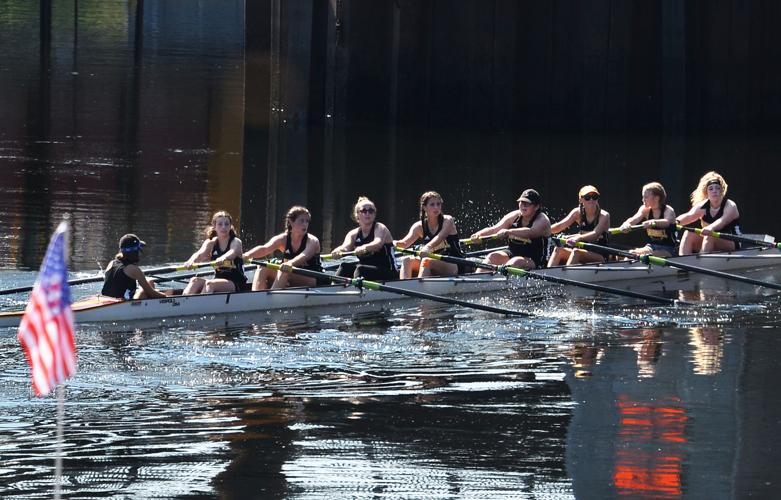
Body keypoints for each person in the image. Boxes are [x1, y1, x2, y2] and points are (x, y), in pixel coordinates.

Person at [244, 206, 324, 290]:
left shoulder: (312, 241)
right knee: (262, 267)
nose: (305, 224)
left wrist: (290, 263)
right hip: (291, 274)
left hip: (313, 278)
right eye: (301, 220)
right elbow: (265, 249)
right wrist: (246, 255)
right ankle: (256, 297)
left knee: (285, 271)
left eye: (307, 221)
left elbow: (304, 255)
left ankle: (271, 299)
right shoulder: (283, 239)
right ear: (291, 222)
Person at [469, 188, 551, 271]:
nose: (523, 205)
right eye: (522, 202)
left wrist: (508, 232)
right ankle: (475, 281)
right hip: (513, 252)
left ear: (536, 207)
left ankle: (499, 279)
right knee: (493, 256)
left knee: (515, 262)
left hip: (536, 259)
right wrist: (478, 235)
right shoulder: (515, 216)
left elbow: (531, 232)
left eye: (527, 203)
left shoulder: (543, 220)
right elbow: (495, 229)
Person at [394, 191, 465, 278]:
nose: (436, 207)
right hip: (431, 262)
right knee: (406, 260)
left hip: (455, 263)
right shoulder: (419, 226)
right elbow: (404, 244)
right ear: (424, 207)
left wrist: (427, 247)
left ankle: (419, 288)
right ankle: (403, 289)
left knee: (427, 261)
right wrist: (392, 243)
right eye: (432, 204)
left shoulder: (448, 220)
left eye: (438, 204)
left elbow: (440, 237)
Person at [330, 196, 398, 281]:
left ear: (374, 214)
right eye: (364, 211)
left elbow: (378, 243)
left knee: (360, 269)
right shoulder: (353, 234)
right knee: (344, 267)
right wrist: (337, 251)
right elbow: (345, 247)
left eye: (371, 211)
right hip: (366, 272)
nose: (368, 213)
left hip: (388, 272)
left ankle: (356, 292)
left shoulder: (380, 228)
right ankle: (334, 290)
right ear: (357, 215)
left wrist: (364, 247)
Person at [676, 171, 740, 255]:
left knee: (710, 235)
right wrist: (674, 223)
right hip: (711, 239)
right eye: (711, 189)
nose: (714, 191)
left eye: (717, 188)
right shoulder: (703, 206)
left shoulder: (730, 205)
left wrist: (710, 228)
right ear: (706, 192)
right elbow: (689, 216)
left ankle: (702, 263)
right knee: (688, 233)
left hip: (732, 242)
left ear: (722, 190)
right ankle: (683, 262)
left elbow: (722, 221)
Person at [183, 210, 247, 294]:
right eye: (220, 224)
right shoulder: (210, 243)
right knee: (194, 281)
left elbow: (232, 252)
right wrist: (191, 261)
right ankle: (182, 304)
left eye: (227, 224)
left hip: (236, 282)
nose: (223, 227)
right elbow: (199, 254)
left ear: (230, 226)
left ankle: (201, 305)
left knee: (210, 284)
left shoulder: (236, 242)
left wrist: (223, 258)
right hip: (218, 280)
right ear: (214, 226)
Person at [548, 185, 611, 266]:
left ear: (597, 199)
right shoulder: (577, 213)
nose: (591, 200)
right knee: (558, 250)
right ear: (581, 199)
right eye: (587, 197)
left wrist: (578, 238)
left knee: (576, 252)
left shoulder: (604, 215)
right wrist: (543, 232)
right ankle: (546, 276)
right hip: (583, 251)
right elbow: (560, 226)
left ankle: (566, 276)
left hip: (600, 255)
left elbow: (596, 234)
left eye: (594, 197)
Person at [619, 181, 678, 257]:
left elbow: (666, 222)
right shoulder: (645, 209)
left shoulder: (668, 210)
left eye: (646, 197)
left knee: (645, 256)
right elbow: (634, 219)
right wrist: (626, 224)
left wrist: (653, 222)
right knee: (631, 254)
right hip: (651, 247)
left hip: (669, 249)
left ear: (656, 198)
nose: (642, 200)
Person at [101, 234, 166, 300]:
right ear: (135, 251)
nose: (140, 253)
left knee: (150, 281)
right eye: (139, 250)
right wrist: (165, 295)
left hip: (104, 300)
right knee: (148, 290)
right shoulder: (134, 270)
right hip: (123, 305)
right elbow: (154, 294)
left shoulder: (111, 263)